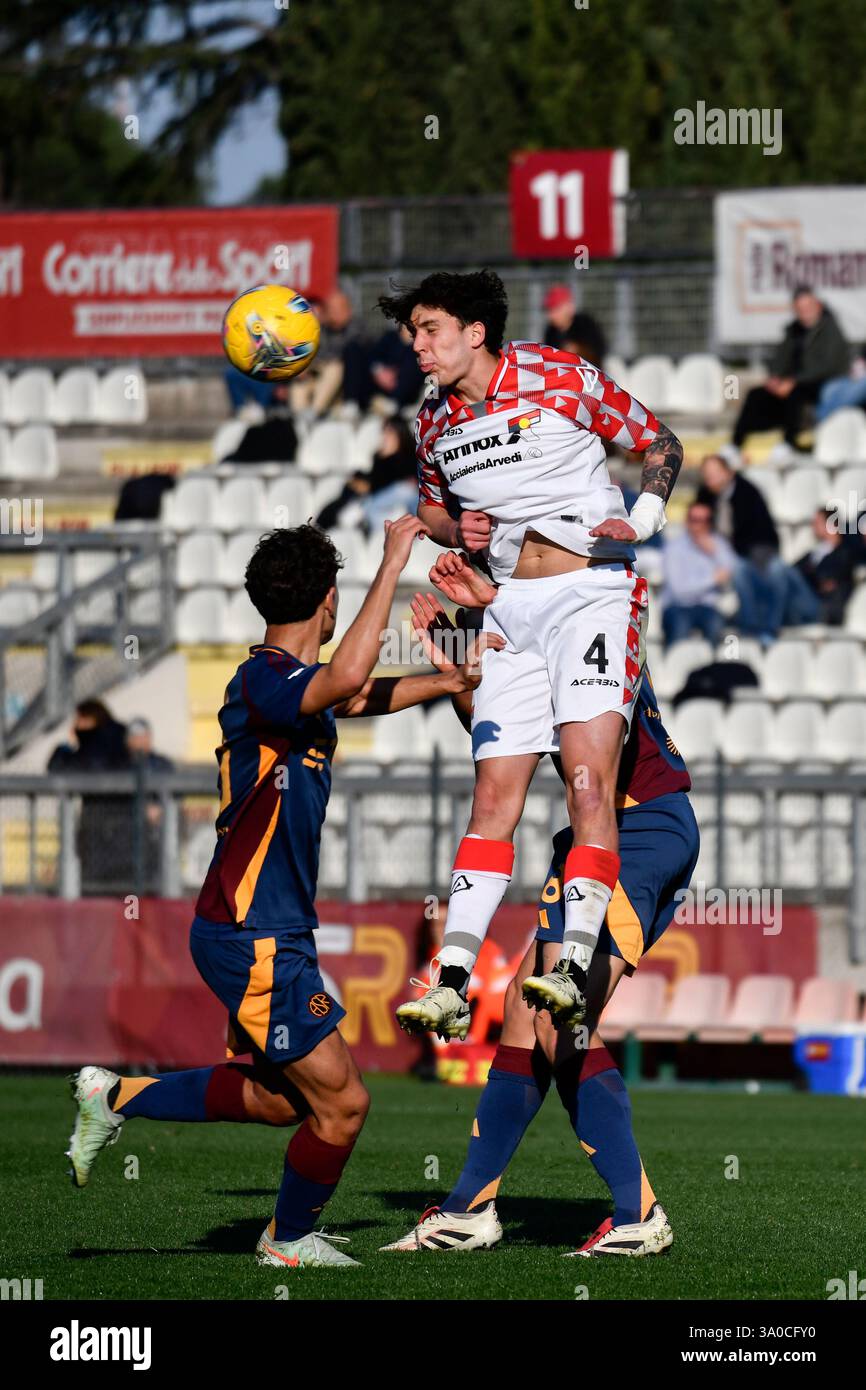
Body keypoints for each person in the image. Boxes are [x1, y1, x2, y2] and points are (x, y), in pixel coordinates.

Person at [66, 519, 500, 1270]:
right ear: (328, 601)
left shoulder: (289, 689)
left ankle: (115, 1098)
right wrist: (395, 561)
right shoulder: (264, 678)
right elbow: (342, 681)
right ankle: (289, 1241)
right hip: (249, 928)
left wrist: (450, 681)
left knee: (279, 1100)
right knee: (344, 1105)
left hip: (267, 927)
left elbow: (356, 694)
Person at [378, 269, 683, 1041]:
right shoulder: (432, 421)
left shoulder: (557, 374)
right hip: (508, 606)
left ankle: (575, 968)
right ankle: (451, 981)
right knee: (493, 798)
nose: (418, 347)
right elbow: (434, 509)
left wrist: (640, 521)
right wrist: (459, 533)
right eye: (412, 333)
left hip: (592, 593)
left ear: (474, 332)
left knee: (587, 785)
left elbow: (657, 440)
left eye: (429, 330)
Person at [383, 558, 698, 1258]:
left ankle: (637, 1213)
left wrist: (481, 626)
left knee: (559, 1022)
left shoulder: (594, 620)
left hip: (638, 830)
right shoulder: (543, 623)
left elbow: (587, 745)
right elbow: (519, 739)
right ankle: (468, 1207)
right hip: (616, 833)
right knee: (527, 1022)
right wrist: (470, 676)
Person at [696, 453, 819, 639]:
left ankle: (768, 627)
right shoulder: (705, 496)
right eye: (707, 475)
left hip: (755, 554)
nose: (710, 479)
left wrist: (729, 553)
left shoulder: (747, 492)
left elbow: (761, 536)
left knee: (770, 570)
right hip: (723, 557)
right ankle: (750, 626)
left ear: (728, 472)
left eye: (714, 473)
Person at [732, 287, 849, 450]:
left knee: (796, 395)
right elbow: (780, 358)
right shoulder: (793, 331)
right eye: (800, 308)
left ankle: (789, 444)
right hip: (792, 382)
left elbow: (827, 366)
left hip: (821, 383)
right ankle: (736, 445)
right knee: (756, 395)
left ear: (818, 306)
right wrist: (775, 378)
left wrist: (793, 381)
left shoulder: (830, 330)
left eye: (808, 307)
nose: (805, 312)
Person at [48, 699, 132, 893]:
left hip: (101, 829)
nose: (75, 727)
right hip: (122, 830)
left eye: (78, 721)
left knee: (97, 889)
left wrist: (68, 746)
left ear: (88, 719)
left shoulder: (95, 746)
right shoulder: (120, 739)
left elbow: (58, 767)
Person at [315, 417, 419, 533]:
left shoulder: (409, 457)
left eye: (390, 432)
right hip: (375, 498)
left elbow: (398, 481)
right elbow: (376, 482)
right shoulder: (380, 457)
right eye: (384, 431)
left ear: (400, 434)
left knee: (399, 492)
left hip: (387, 500)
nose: (385, 436)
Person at [660, 502, 737, 646]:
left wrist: (715, 553)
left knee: (716, 626)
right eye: (694, 519)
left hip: (708, 607)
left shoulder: (718, 545)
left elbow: (731, 575)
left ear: (710, 523)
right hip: (678, 606)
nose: (698, 525)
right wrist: (712, 579)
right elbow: (679, 591)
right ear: (687, 521)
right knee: (680, 628)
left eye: (704, 520)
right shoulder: (674, 547)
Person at [289, 289, 371, 419]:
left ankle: (315, 411)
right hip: (320, 376)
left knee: (334, 367)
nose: (334, 313)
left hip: (346, 384)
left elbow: (341, 352)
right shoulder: (322, 330)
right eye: (330, 309)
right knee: (301, 374)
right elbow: (315, 354)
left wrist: (321, 362)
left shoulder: (357, 327)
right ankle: (298, 416)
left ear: (348, 309)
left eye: (338, 308)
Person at [794, 507, 858, 626]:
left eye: (818, 522)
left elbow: (827, 581)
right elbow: (794, 570)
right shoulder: (814, 553)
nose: (813, 526)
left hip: (824, 608)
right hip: (805, 602)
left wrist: (811, 576)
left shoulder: (845, 553)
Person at [542, 285, 607, 367]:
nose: (551, 315)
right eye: (549, 310)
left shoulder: (585, 325)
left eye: (556, 309)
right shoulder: (551, 332)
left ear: (569, 307)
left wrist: (579, 350)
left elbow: (599, 351)